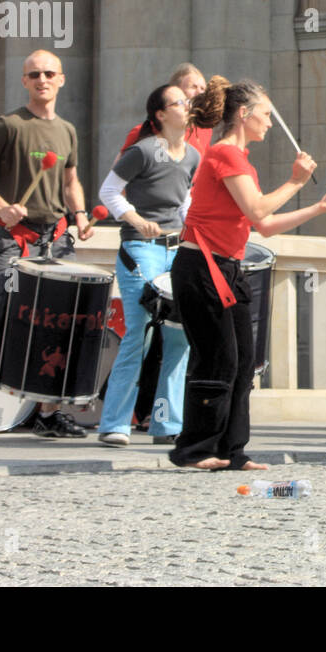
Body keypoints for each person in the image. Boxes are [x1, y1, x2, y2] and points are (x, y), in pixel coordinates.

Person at [169, 77, 326, 470]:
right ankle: (194, 449)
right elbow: (259, 211)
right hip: (202, 268)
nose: (270, 122)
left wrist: (318, 208)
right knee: (217, 359)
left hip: (227, 268)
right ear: (243, 115)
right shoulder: (225, 155)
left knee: (244, 362)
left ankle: (232, 450)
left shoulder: (240, 160)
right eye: (265, 114)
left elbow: (263, 226)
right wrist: (296, 181)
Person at [0, 50, 95, 442]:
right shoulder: (8, 125)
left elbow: (70, 180)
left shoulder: (67, 130)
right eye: (34, 75)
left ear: (61, 79)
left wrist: (79, 214)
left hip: (57, 239)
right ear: (25, 81)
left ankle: (48, 413)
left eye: (49, 73)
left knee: (60, 323)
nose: (42, 79)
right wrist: (1, 207)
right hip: (14, 238)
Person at [95, 84, 201, 447]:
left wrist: (191, 230)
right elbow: (108, 192)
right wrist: (137, 220)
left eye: (186, 102)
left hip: (176, 251)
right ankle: (114, 424)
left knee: (178, 336)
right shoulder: (141, 151)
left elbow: (183, 200)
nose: (186, 107)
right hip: (141, 249)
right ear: (159, 114)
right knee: (139, 334)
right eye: (178, 102)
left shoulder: (192, 156)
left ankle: (166, 424)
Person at [116, 63, 211, 160]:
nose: (200, 92)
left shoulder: (205, 130)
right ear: (175, 90)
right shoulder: (145, 130)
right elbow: (118, 170)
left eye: (203, 88)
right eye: (193, 87)